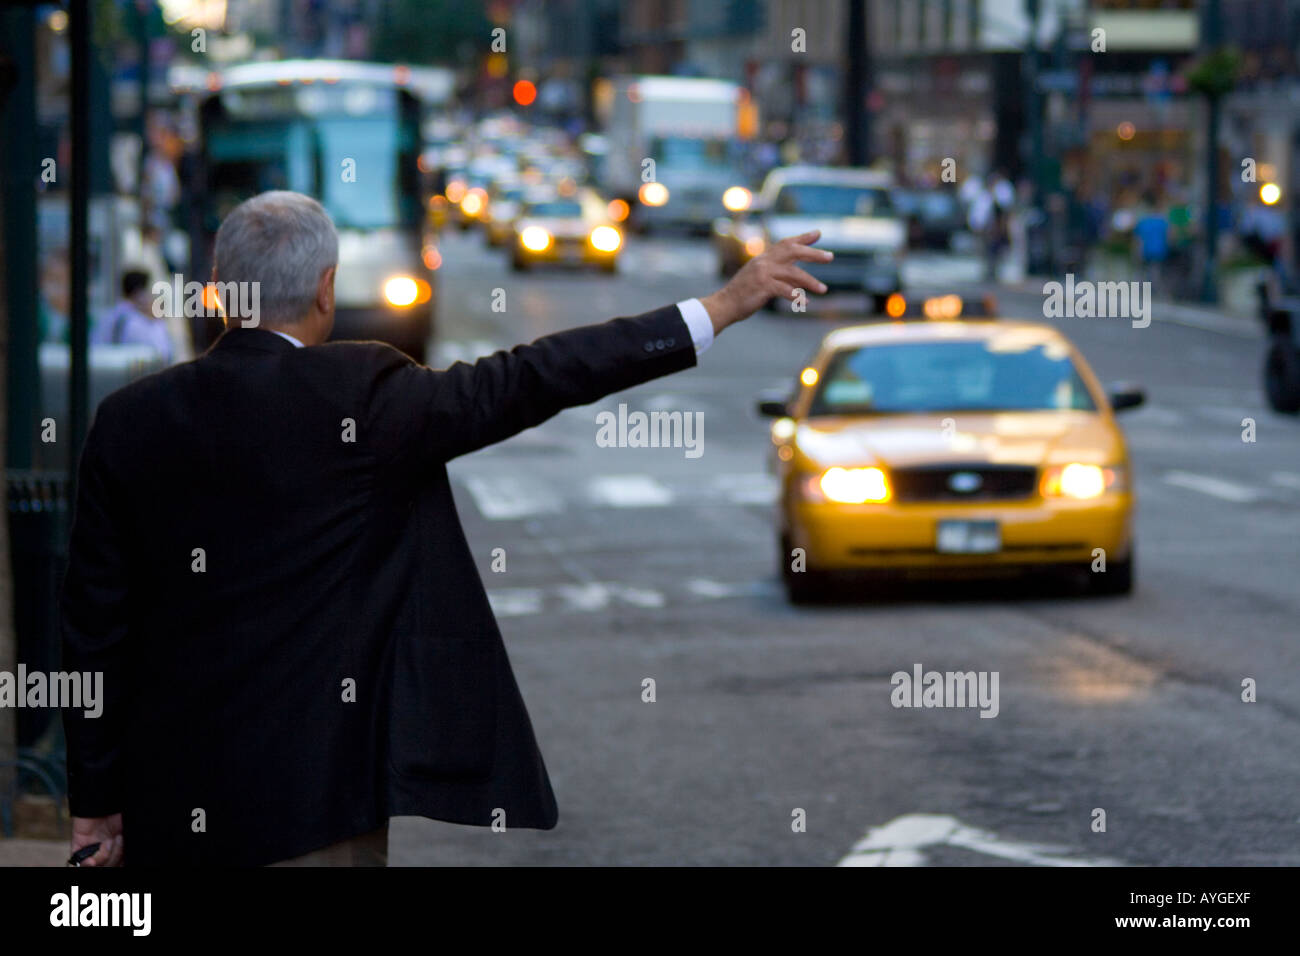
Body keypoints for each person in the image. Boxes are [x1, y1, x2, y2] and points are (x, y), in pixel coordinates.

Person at [60, 190, 832, 867]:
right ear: (327, 288)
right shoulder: (367, 395)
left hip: (168, 802)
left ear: (219, 292)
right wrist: (723, 306)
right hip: (314, 804)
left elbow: (92, 629)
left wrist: (94, 800)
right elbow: (542, 372)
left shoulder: (128, 420)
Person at [91, 269, 174, 364]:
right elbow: (164, 353)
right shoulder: (141, 324)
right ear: (141, 293)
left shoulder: (107, 317)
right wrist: (158, 321)